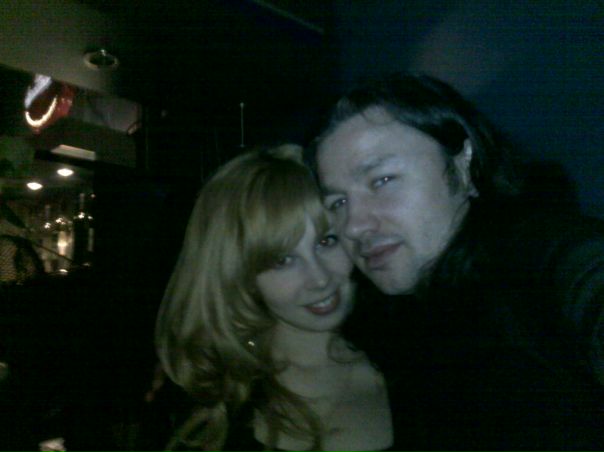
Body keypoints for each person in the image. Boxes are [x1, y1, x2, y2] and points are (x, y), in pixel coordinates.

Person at [305, 73, 604, 451]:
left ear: (462, 164)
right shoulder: (389, 328)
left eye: (381, 180)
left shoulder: (534, 260)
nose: (354, 225)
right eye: (338, 202)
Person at [155, 145, 394, 452]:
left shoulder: (420, 367)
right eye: (282, 260)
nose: (320, 278)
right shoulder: (210, 402)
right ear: (238, 274)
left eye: (327, 241)